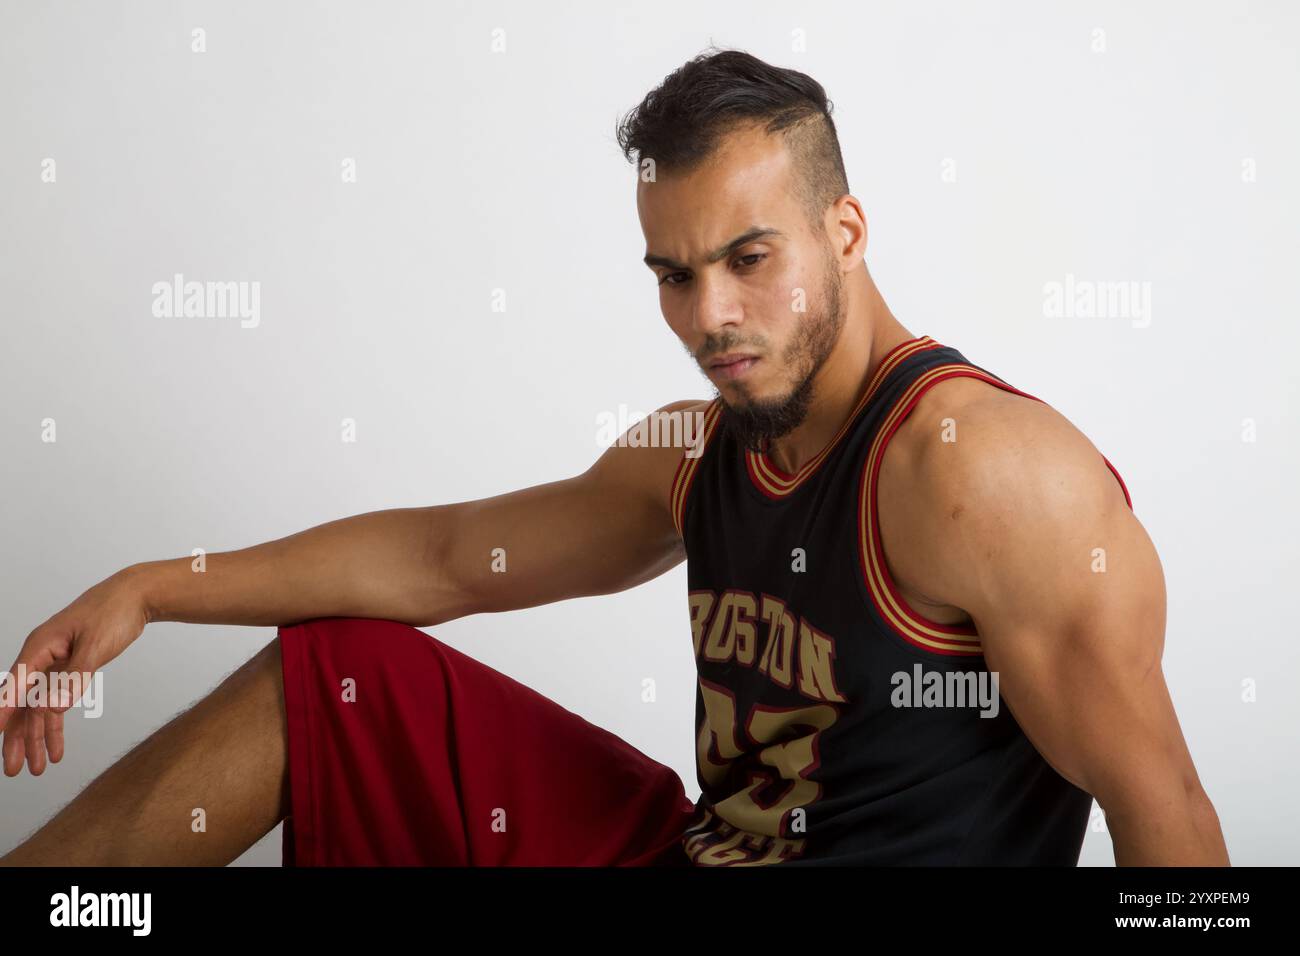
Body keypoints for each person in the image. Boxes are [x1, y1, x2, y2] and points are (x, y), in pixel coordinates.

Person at [0, 47, 1228, 866]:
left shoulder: (981, 474)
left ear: (844, 230)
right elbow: (444, 558)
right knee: (337, 680)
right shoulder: (694, 450)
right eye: (674, 275)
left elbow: (1161, 806)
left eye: (750, 259)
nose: (710, 318)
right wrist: (153, 585)